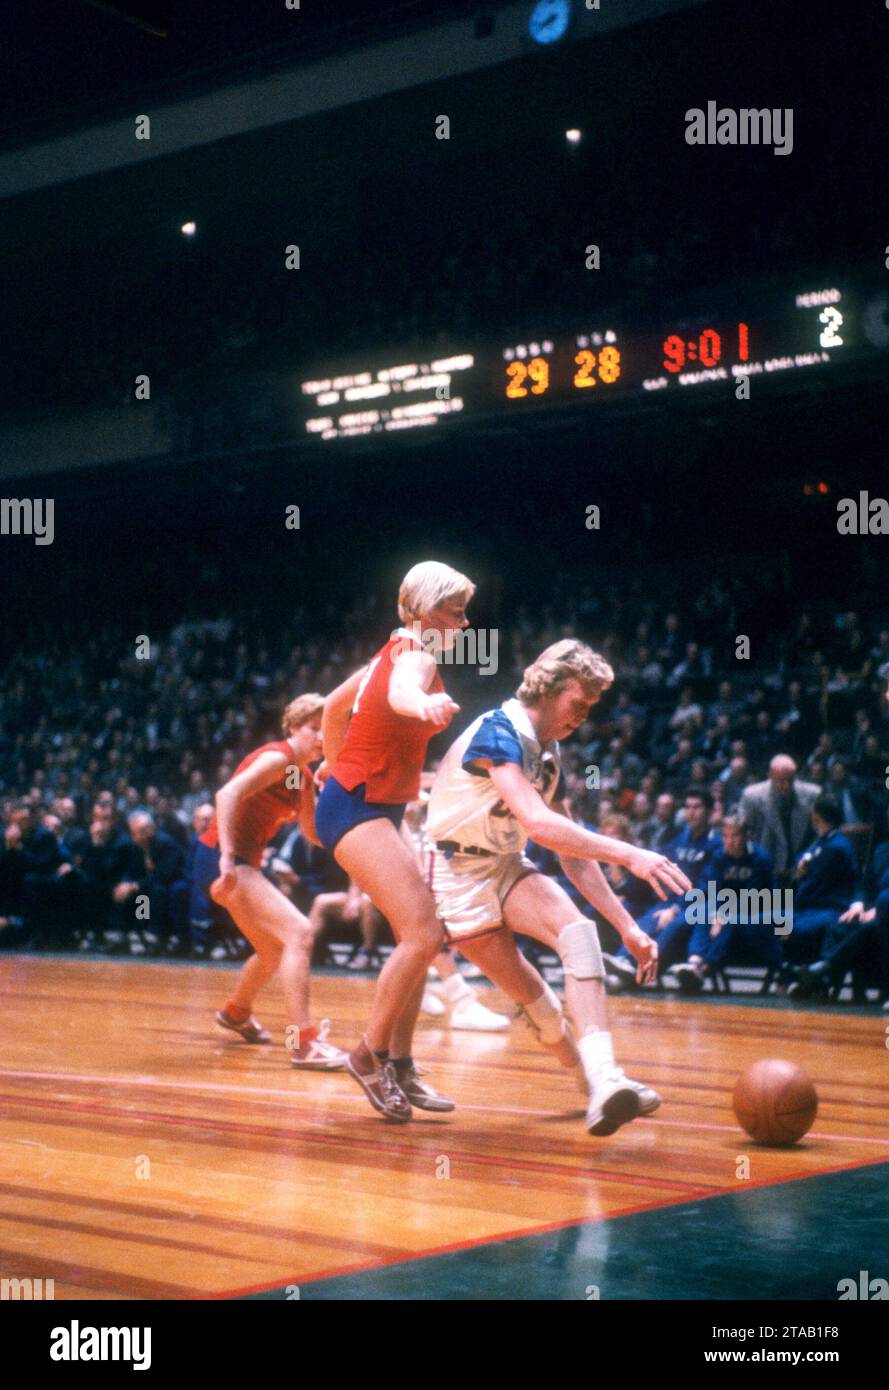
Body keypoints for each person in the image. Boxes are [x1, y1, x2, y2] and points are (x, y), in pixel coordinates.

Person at [426, 639, 690, 1137]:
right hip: (457, 878)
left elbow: (572, 853)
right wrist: (631, 853)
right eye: (579, 703)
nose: (585, 715)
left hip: (503, 864)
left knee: (579, 933)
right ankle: (592, 1085)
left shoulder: (549, 752)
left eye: (592, 707)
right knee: (542, 1013)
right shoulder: (499, 732)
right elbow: (538, 823)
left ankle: (607, 1078)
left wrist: (628, 928)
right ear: (548, 689)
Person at [316, 560, 472, 1121]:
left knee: (424, 934)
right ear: (426, 611)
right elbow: (406, 692)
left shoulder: (390, 649)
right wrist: (422, 705)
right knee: (425, 930)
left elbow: (333, 707)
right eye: (456, 611)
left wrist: (335, 767)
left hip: (359, 802)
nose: (464, 621)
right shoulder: (418, 655)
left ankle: (400, 1064)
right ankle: (368, 1055)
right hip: (358, 807)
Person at [201, 694, 348, 1069]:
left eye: (325, 731)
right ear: (293, 729)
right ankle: (302, 1042)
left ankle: (236, 1012)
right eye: (313, 729)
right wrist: (227, 858)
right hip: (222, 859)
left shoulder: (299, 775)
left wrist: (324, 791)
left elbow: (316, 835)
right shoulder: (279, 757)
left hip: (238, 861)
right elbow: (227, 792)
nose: (320, 738)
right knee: (299, 933)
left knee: (274, 951)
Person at [667, 815, 780, 993]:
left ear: (747, 837)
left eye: (734, 836)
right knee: (703, 911)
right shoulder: (719, 856)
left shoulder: (760, 859)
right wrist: (718, 914)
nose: (730, 842)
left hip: (756, 911)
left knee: (728, 919)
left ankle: (705, 969)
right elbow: (712, 890)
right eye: (726, 836)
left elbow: (754, 897)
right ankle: (695, 962)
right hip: (726, 909)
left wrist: (723, 915)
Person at [739, 755, 821, 882]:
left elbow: (820, 834)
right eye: (781, 780)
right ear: (770, 776)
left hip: (803, 868)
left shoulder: (813, 794)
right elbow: (744, 835)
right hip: (765, 869)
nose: (786, 785)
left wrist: (808, 857)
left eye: (790, 780)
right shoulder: (751, 797)